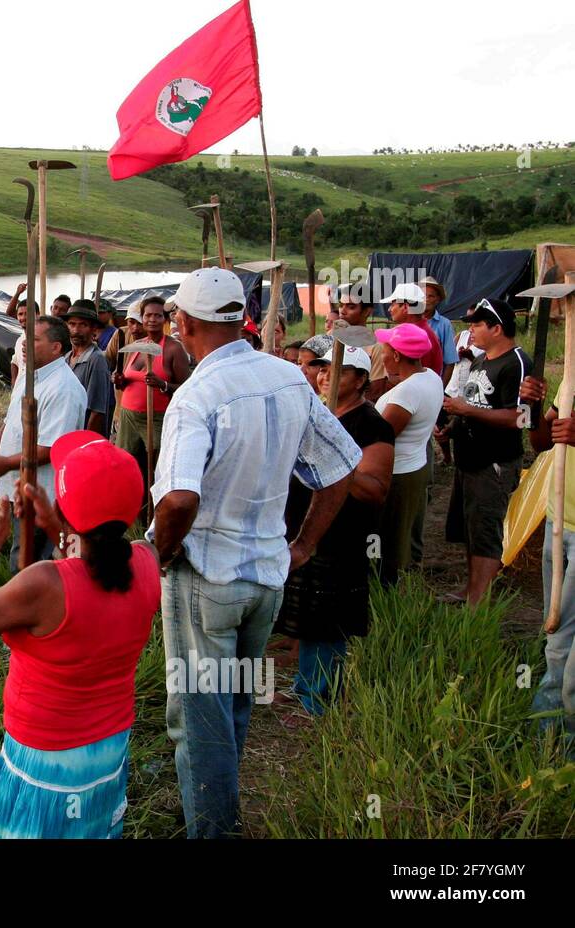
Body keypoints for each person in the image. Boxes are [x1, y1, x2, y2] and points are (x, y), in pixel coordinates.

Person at [147, 267, 360, 838]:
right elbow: (341, 464)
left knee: (200, 716)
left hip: (206, 577)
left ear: (185, 323)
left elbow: (178, 498)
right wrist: (303, 544)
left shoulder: (196, 397)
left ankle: (212, 827)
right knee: (235, 698)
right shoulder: (288, 378)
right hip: (267, 575)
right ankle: (212, 801)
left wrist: (159, 552)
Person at [0, 432, 160, 838]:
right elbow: (91, 566)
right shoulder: (147, 563)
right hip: (107, 753)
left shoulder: (44, 584)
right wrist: (52, 524)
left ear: (67, 506)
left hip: (45, 762)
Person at [276, 347, 394, 715]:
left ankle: (319, 701)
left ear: (361, 380)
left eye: (340, 371)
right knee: (308, 613)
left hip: (341, 532)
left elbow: (375, 489)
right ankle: (303, 687)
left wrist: (337, 457)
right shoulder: (314, 413)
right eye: (323, 368)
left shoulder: (372, 425)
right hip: (302, 525)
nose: (327, 375)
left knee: (328, 620)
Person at [0, 316, 87, 571]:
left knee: (30, 565)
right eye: (25, 337)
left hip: (43, 495)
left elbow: (50, 449)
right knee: (21, 553)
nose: (25, 344)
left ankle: (30, 606)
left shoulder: (64, 388)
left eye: (35, 339)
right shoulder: (29, 376)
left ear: (56, 348)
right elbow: (10, 422)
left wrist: (4, 464)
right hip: (19, 488)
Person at [440, 299, 531, 605]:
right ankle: (471, 589)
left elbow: (520, 418)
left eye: (478, 325)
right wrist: (451, 426)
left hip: (493, 462)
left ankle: (479, 602)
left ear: (497, 328)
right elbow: (472, 404)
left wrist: (466, 410)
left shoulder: (516, 363)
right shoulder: (481, 361)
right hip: (469, 458)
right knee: (470, 528)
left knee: (486, 531)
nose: (472, 330)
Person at [519, 372, 575, 756]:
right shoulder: (572, 378)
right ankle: (544, 745)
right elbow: (540, 443)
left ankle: (564, 751)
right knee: (555, 636)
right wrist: (536, 408)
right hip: (560, 523)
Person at [370, 323, 441, 586]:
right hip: (415, 465)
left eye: (385, 351)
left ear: (397, 356)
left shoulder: (407, 392)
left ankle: (385, 590)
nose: (383, 356)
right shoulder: (430, 376)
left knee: (388, 537)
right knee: (407, 532)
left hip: (396, 474)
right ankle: (404, 581)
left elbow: (380, 436)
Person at [115, 296, 191, 486]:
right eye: (148, 315)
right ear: (142, 317)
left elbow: (187, 388)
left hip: (155, 419)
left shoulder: (174, 348)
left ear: (165, 320)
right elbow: (128, 381)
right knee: (126, 469)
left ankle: (153, 511)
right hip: (128, 418)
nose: (152, 320)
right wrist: (120, 381)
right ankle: (133, 514)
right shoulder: (137, 345)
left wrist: (163, 385)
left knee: (155, 471)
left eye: (158, 316)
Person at [64, 300, 113, 436]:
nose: (76, 331)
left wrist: (85, 442)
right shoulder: (67, 358)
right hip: (68, 432)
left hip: (84, 435)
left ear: (93, 329)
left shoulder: (96, 360)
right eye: (72, 324)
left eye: (83, 325)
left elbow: (97, 412)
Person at [333, 284, 389, 401]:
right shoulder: (330, 338)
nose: (342, 311)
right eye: (341, 305)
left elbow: (375, 391)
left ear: (367, 311)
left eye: (351, 307)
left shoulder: (375, 347)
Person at [382, 283, 443, 378]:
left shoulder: (417, 337)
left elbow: (410, 377)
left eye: (393, 304)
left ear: (405, 307)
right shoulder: (422, 332)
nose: (390, 309)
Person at [419, 276, 459, 388]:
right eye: (422, 296)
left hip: (432, 384)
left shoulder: (444, 324)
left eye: (431, 296)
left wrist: (440, 389)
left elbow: (450, 362)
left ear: (437, 300)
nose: (426, 299)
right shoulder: (409, 320)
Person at [9, 298, 38, 385]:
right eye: (20, 314)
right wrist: (14, 382)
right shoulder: (20, 340)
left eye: (27, 314)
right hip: (20, 390)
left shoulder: (43, 340)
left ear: (38, 315)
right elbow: (14, 362)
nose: (23, 318)